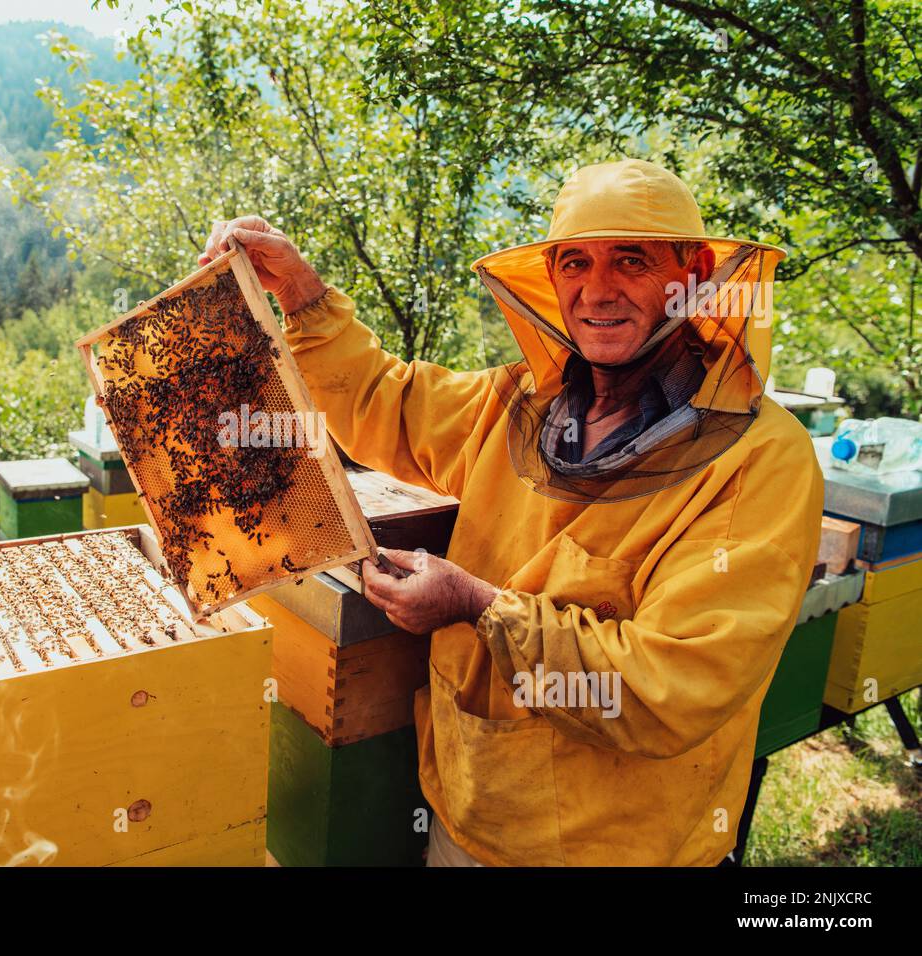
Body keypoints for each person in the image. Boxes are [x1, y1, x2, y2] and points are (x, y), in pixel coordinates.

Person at [200, 158, 823, 866]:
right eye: (575, 262)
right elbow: (387, 403)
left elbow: (669, 688)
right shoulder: (522, 401)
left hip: (621, 850)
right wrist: (305, 297)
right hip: (466, 817)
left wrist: (475, 602)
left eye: (632, 261)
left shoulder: (761, 462)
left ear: (695, 271)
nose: (598, 290)